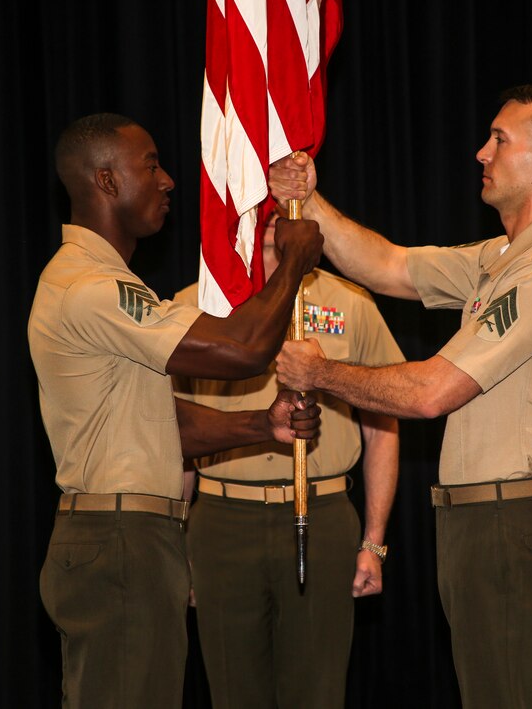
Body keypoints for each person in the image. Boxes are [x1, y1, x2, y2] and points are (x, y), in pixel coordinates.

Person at [269, 85, 532, 708]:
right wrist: (307, 199)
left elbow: (429, 393)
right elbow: (389, 265)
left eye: (500, 140)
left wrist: (322, 372)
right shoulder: (504, 257)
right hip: (483, 522)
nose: (481, 153)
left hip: (510, 527)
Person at [27, 112, 325, 708]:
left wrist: (256, 426)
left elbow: (160, 421)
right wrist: (292, 263)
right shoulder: (90, 286)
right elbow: (241, 351)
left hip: (128, 535)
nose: (168, 181)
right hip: (119, 538)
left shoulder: (104, 282)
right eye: (152, 165)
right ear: (106, 181)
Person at [172, 210, 404, 708]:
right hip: (220, 522)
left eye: (283, 197)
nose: (273, 210)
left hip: (321, 518)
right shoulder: (195, 304)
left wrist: (374, 542)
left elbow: (383, 427)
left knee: (317, 692)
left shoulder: (350, 304)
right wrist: (179, 541)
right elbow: (178, 431)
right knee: (233, 692)